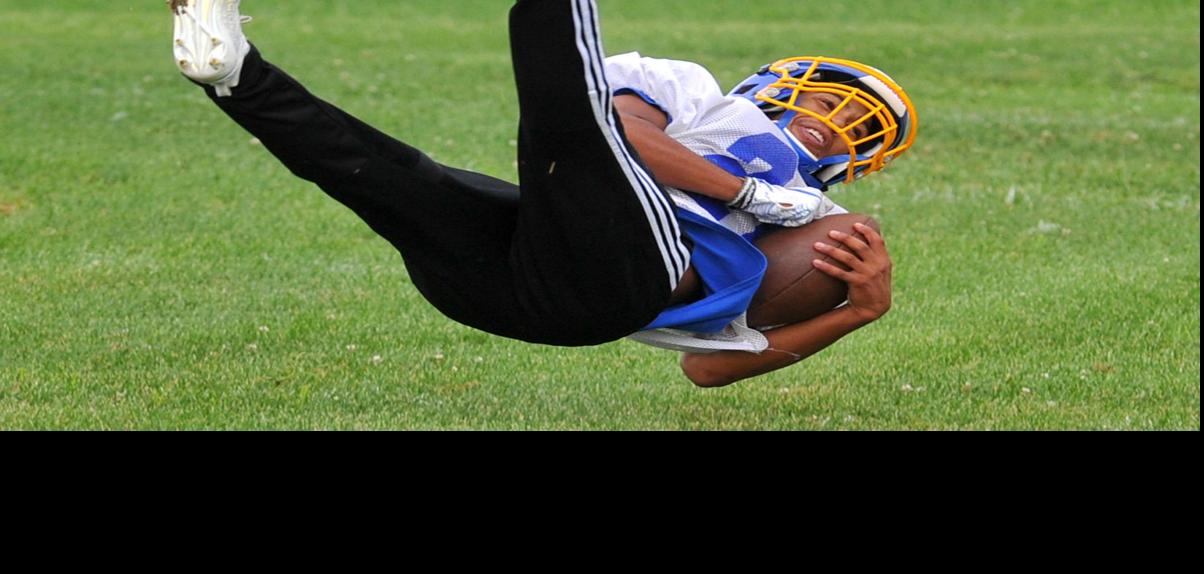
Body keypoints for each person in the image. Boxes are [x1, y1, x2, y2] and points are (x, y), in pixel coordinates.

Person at [167, 0, 919, 387]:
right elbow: (621, 136)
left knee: (568, 127)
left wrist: (858, 311)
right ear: (783, 82)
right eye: (833, 104)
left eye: (861, 132)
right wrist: (747, 192)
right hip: (508, 285)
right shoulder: (695, 93)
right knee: (388, 176)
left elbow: (707, 369)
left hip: (619, 289)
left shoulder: (821, 213)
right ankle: (232, 73)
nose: (836, 128)